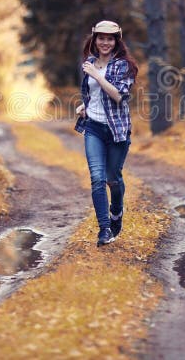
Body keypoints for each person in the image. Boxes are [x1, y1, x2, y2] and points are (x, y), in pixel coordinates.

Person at [75, 20, 138, 247]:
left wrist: (98, 76)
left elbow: (119, 96)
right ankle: (104, 229)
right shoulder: (90, 63)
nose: (105, 42)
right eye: (101, 38)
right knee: (97, 178)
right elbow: (92, 93)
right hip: (93, 128)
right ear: (95, 39)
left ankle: (116, 212)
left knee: (113, 178)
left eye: (109, 39)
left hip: (117, 130)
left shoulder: (123, 66)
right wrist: (85, 106)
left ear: (116, 41)